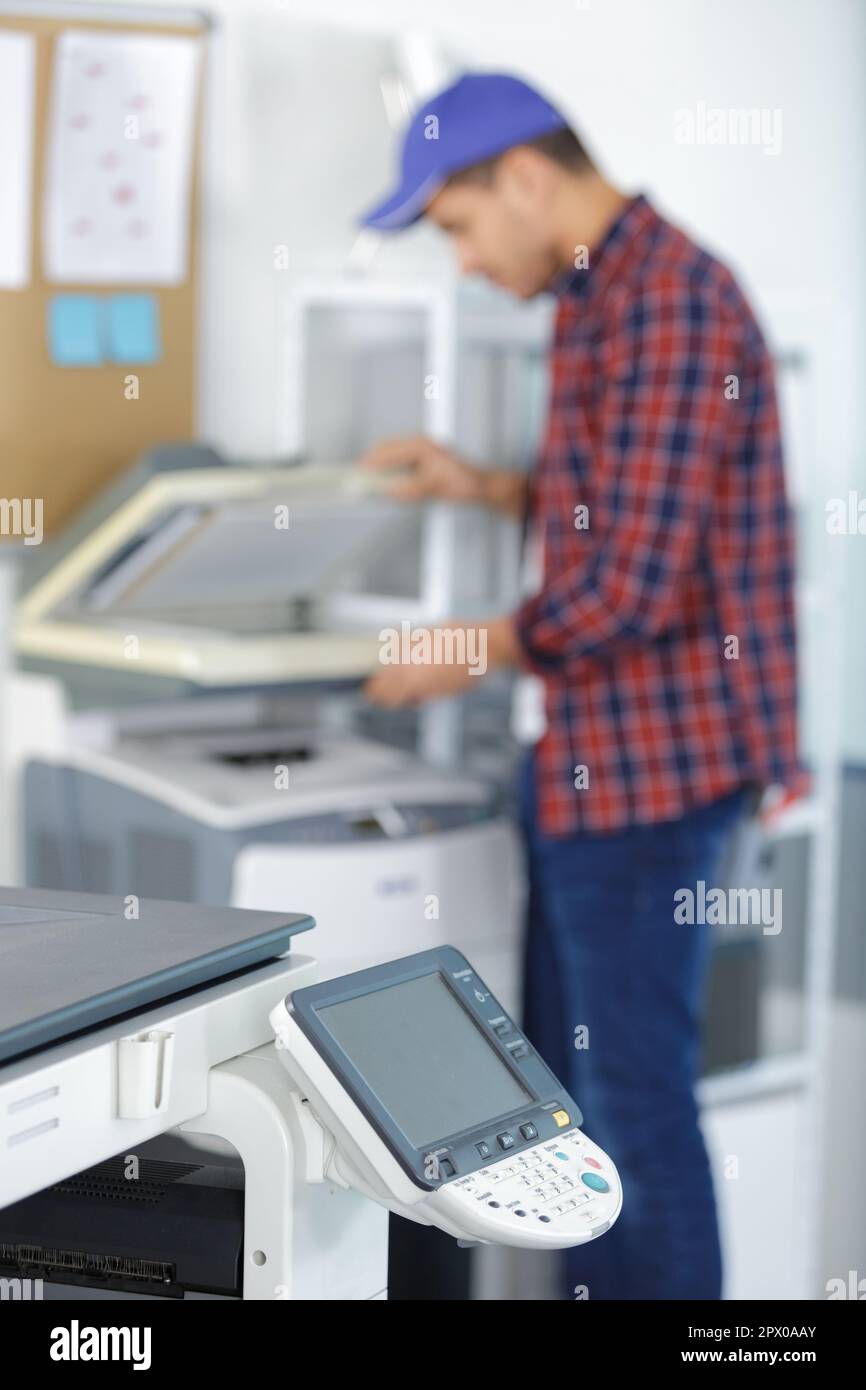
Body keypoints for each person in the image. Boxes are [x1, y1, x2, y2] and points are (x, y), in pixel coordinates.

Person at [359, 73, 800, 1300]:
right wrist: (488, 486)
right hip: (588, 770)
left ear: (525, 177)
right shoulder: (597, 296)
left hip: (651, 781)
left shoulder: (667, 304)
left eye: (451, 227)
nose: (457, 264)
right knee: (565, 1101)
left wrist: (460, 647)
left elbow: (632, 588)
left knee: (629, 1106)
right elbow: (620, 511)